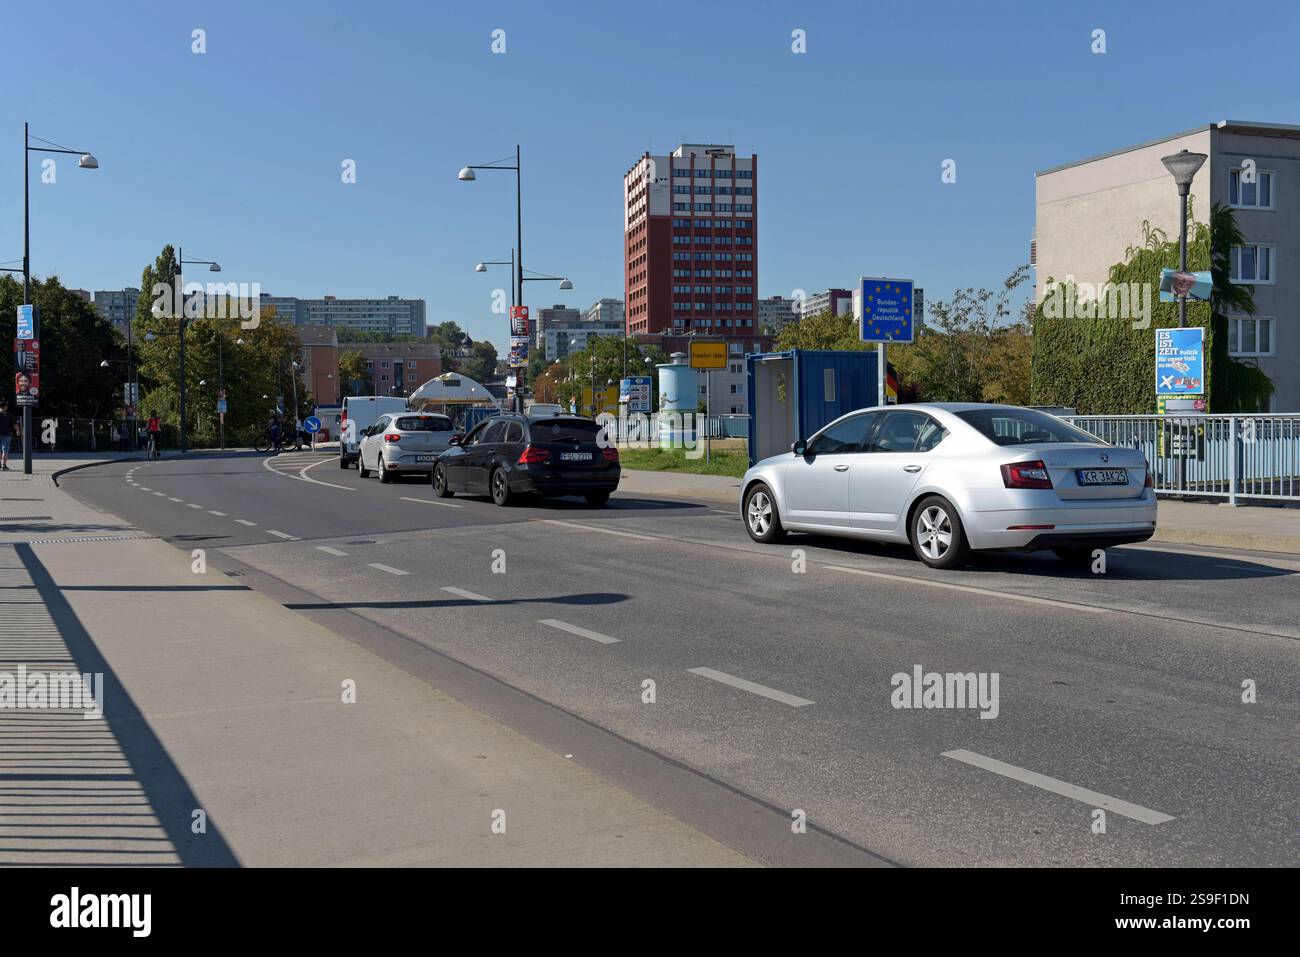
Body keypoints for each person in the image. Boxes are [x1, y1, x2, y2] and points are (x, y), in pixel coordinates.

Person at [0, 402, 11, 471]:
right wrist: (18, 431)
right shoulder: (8, 414)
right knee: (5, 450)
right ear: (4, 407)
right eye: (6, 406)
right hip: (6, 434)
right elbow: (15, 424)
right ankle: (4, 465)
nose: (7, 407)